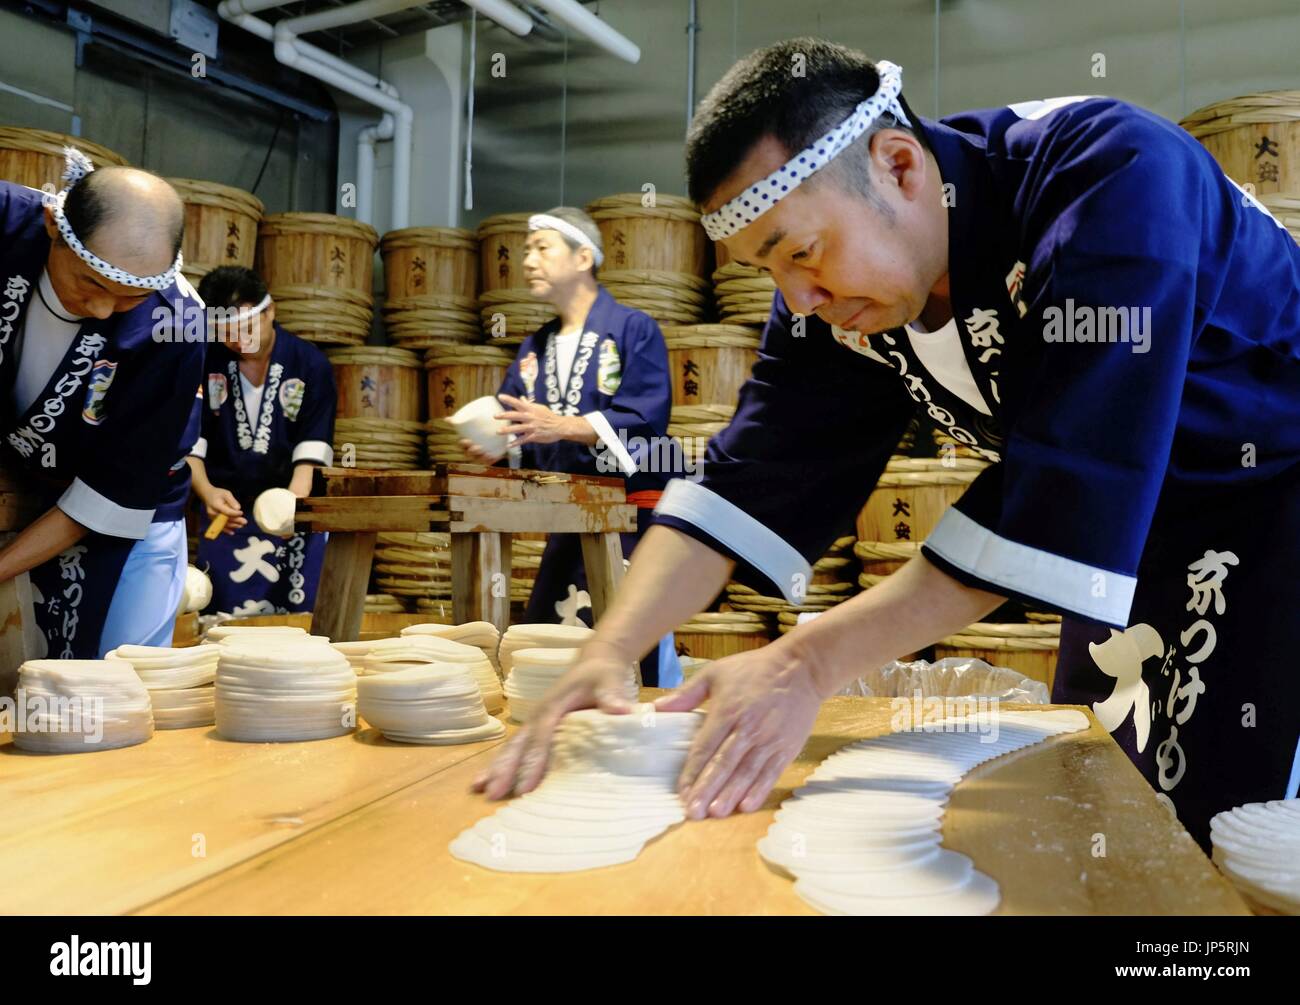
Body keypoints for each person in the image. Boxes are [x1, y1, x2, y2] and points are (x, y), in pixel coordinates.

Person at [476, 39, 1300, 850]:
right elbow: (743, 485)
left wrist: (803, 666)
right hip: (1123, 534)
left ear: (899, 165)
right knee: (1103, 801)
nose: (798, 296)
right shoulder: (842, 294)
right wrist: (608, 652)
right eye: (770, 272)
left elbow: (1060, 492)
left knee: (1209, 832)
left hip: (1269, 502)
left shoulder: (1110, 177)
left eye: (801, 252)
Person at [461, 207, 682, 686]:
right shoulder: (534, 348)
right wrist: (501, 447)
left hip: (628, 513)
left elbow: (647, 416)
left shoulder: (632, 328)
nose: (528, 261)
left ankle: (639, 729)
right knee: (549, 631)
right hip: (567, 516)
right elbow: (523, 427)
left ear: (584, 257)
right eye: (525, 251)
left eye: (542, 248)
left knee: (629, 638)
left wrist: (563, 426)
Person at [0, 149, 205, 657]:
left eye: (128, 298)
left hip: (123, 506)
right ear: (53, 224)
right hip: (17, 475)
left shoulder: (177, 324)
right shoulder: (6, 221)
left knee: (114, 684)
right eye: (90, 282)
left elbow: (115, 487)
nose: (101, 308)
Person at [188, 266, 335, 617]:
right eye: (227, 334)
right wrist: (206, 491)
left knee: (296, 623)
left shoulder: (310, 363)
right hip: (227, 513)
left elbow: (311, 451)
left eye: (247, 328)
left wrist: (292, 509)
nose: (239, 341)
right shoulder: (208, 360)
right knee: (223, 625)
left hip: (293, 515)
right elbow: (190, 439)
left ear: (271, 311)